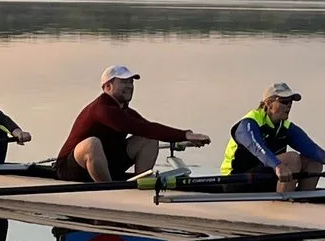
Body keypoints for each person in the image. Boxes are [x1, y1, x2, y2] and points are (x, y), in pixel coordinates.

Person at [55, 65, 210, 183]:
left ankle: (141, 186)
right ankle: (108, 192)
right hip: (69, 170)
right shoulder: (102, 109)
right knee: (91, 143)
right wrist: (185, 134)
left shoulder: (125, 111)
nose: (129, 86)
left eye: (131, 82)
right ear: (107, 87)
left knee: (148, 138)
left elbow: (150, 129)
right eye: (123, 82)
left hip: (106, 164)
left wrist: (186, 138)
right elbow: (144, 127)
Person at [219, 82, 325, 193]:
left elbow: (310, 147)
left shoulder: (285, 126)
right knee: (292, 158)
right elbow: (259, 149)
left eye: (291, 102)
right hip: (235, 180)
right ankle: (284, 208)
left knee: (313, 161)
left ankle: (304, 204)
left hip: (266, 176)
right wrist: (277, 166)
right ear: (269, 104)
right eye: (284, 101)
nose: (289, 105)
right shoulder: (248, 124)